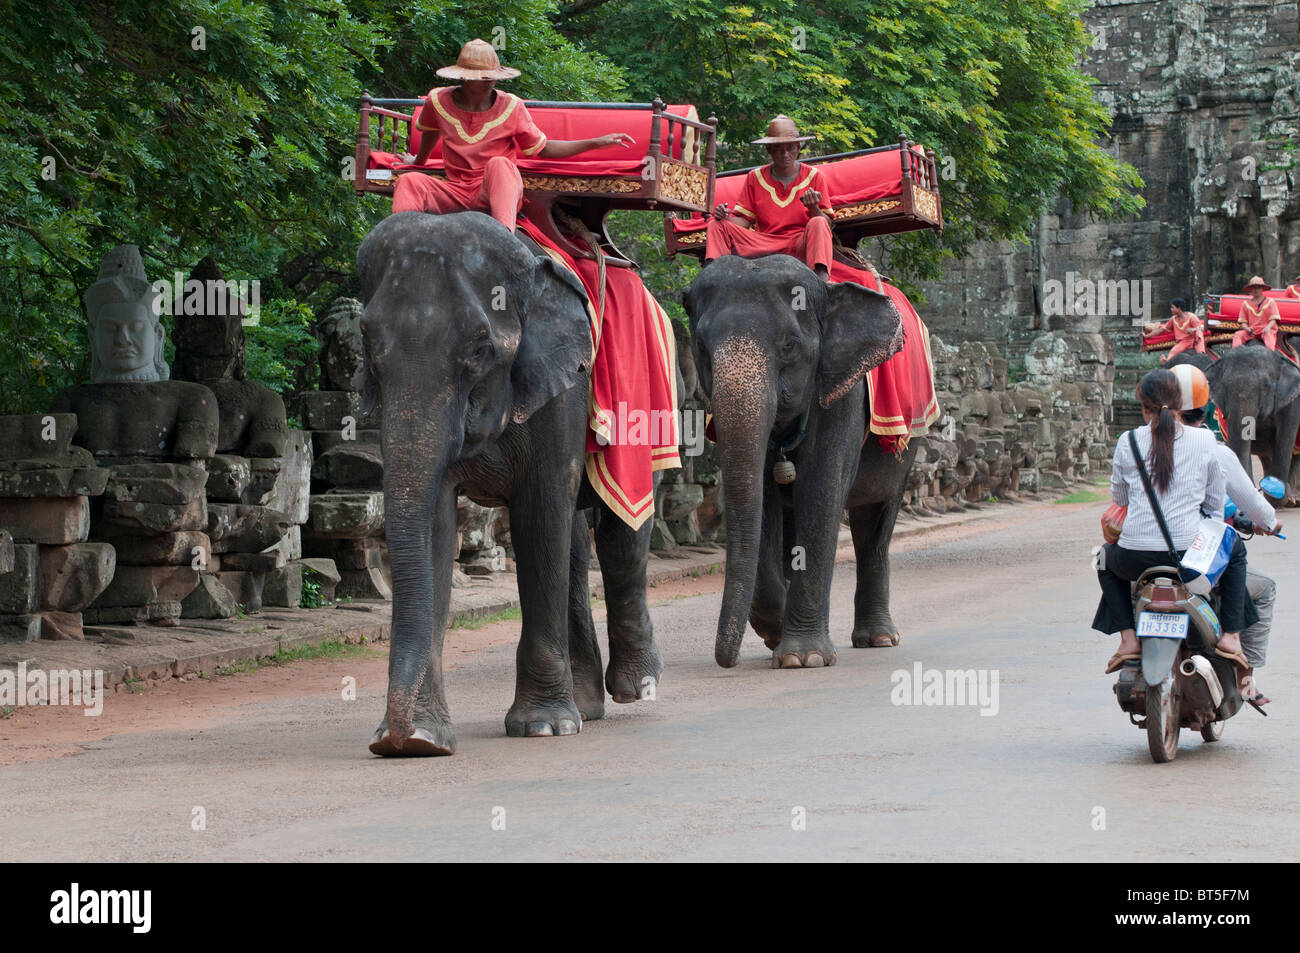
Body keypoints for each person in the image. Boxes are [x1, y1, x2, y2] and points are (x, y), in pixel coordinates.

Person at [1093, 369, 1258, 673]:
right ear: (1182, 404)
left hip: (1133, 558)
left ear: (1144, 408)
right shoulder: (1206, 440)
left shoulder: (1127, 440)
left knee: (1103, 558)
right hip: (1190, 557)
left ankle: (1128, 640)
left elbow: (1121, 498)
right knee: (1236, 551)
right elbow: (1214, 505)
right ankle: (1232, 637)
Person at [392, 39, 635, 232]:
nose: (491, 82)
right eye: (483, 77)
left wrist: (595, 142)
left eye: (493, 76)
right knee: (409, 181)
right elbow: (431, 133)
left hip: (494, 191)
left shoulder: (512, 106)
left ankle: (503, 237)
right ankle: (399, 241)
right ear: (464, 77)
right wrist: (417, 162)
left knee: (500, 164)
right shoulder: (437, 99)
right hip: (455, 190)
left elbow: (544, 149)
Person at [1173, 364, 1281, 707]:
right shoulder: (1213, 450)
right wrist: (1270, 522)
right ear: (1208, 409)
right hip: (1198, 557)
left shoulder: (1137, 444)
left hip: (1143, 554)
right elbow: (1251, 502)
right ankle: (1244, 672)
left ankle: (1128, 641)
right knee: (1256, 581)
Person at [704, 115, 835, 280]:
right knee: (717, 225)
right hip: (762, 243)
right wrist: (726, 217)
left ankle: (821, 279)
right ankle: (714, 277)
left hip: (798, 243)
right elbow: (744, 222)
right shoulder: (755, 177)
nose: (785, 154)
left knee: (819, 221)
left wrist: (813, 208)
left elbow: (826, 225)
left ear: (798, 147)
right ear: (769, 149)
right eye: (779, 148)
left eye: (790, 148)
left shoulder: (815, 176)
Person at [1144, 298, 1206, 362]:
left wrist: (1193, 329)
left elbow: (1202, 328)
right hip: (1182, 342)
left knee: (1199, 333)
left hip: (1192, 340)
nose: (1171, 310)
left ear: (1178, 308)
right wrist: (1147, 336)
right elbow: (1161, 330)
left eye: (1172, 307)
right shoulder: (1173, 319)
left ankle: (1201, 354)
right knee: (1173, 351)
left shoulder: (1192, 317)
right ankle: (1167, 362)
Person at [1231, 275, 1280, 351]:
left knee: (1268, 336)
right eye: (1253, 288)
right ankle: (1235, 355)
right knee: (1237, 334)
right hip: (1252, 332)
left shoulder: (1271, 302)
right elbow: (1242, 322)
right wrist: (1247, 329)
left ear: (1262, 289)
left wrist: (1268, 327)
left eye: (1258, 287)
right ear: (1250, 289)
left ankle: (1270, 354)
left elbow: (1274, 320)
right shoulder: (1245, 304)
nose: (1256, 290)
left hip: (1266, 331)